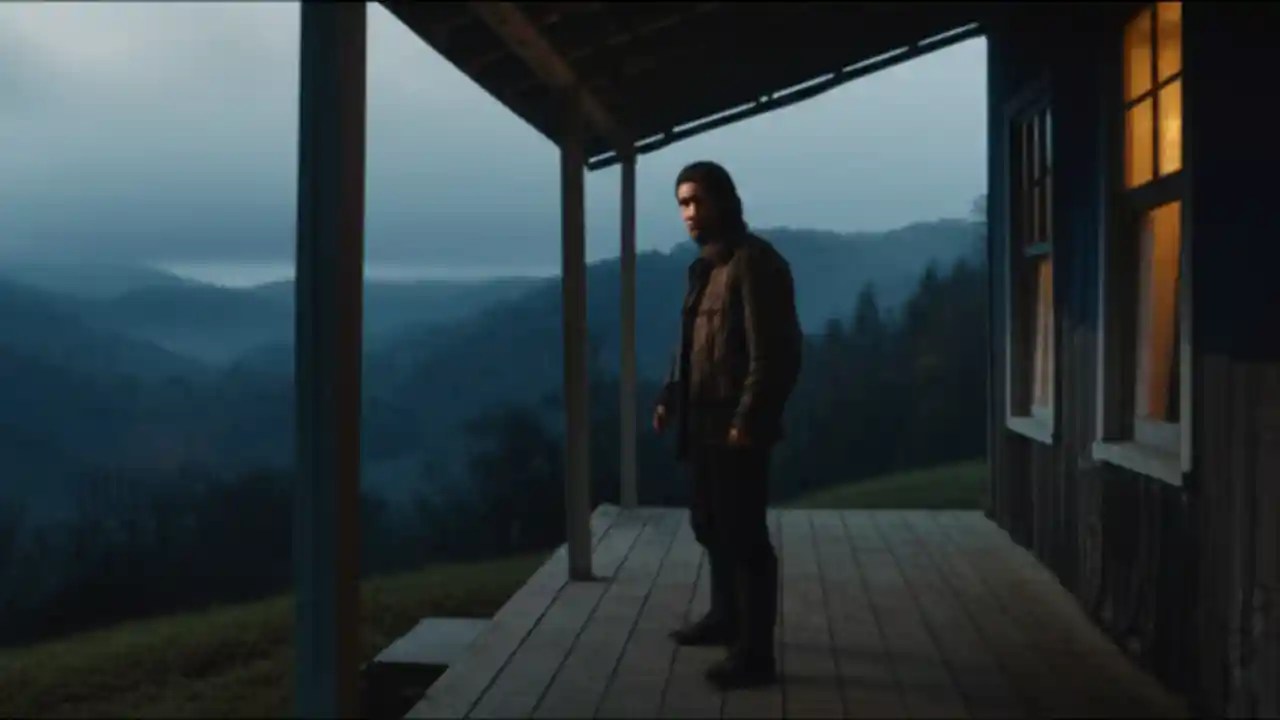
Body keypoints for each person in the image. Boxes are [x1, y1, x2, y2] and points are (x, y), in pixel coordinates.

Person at [653, 160, 802, 689]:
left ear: (723, 200)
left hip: (737, 424)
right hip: (701, 421)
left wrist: (750, 417)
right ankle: (724, 618)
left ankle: (755, 654)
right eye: (681, 204)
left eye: (695, 201)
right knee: (709, 524)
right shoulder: (703, 269)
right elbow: (689, 344)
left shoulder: (756, 264)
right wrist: (671, 395)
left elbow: (777, 354)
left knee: (745, 538)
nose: (688, 214)